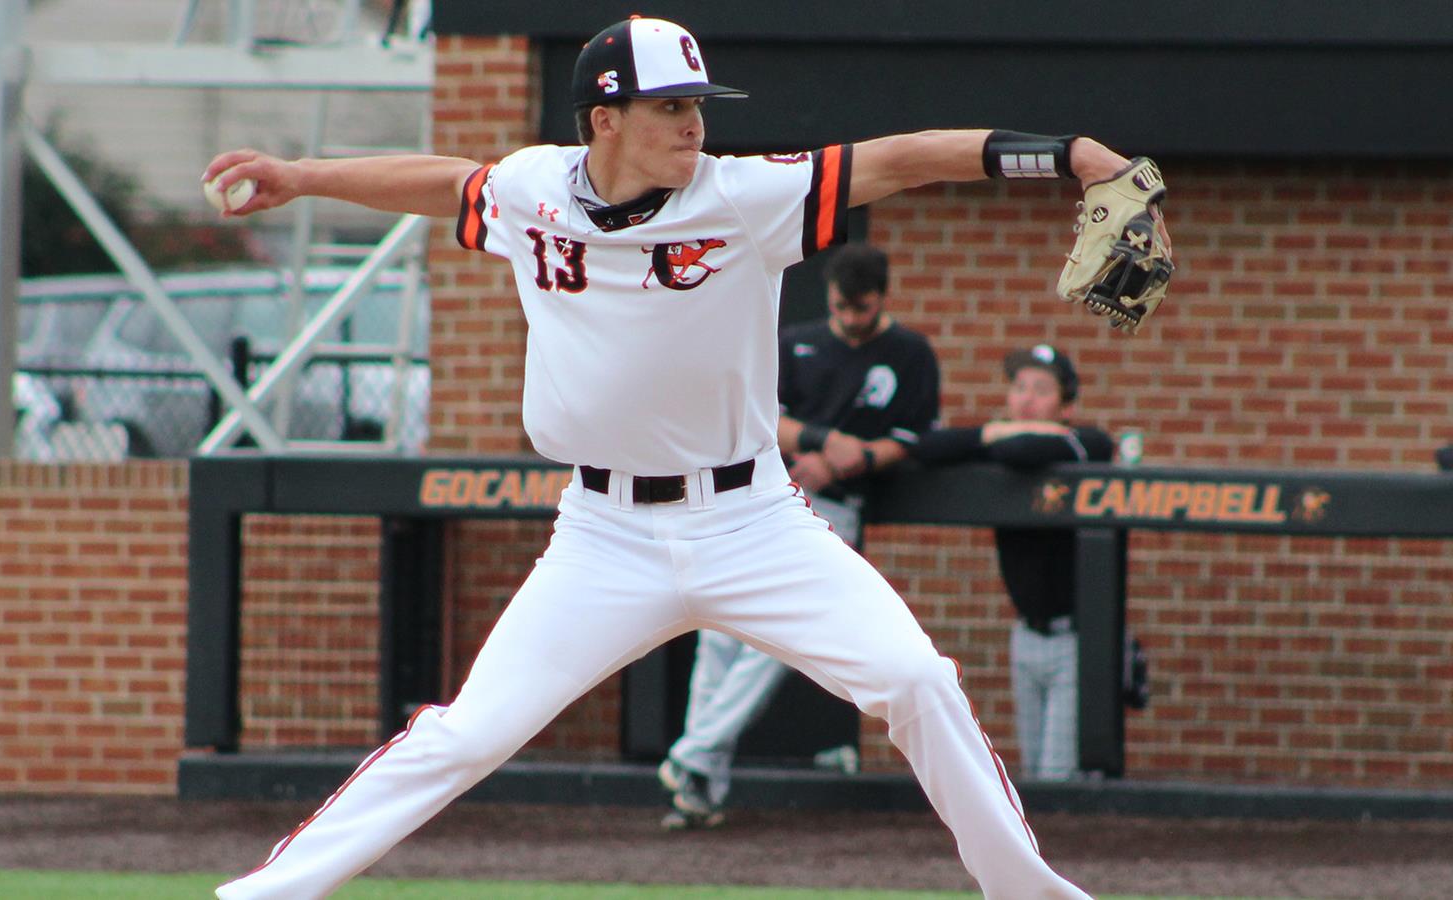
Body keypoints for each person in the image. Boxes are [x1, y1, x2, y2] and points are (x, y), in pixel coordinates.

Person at [206, 15, 1167, 899]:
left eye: (697, 104)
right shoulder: (534, 189)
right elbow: (444, 183)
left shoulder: (743, 196)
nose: (693, 123)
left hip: (752, 523)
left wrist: (1071, 155)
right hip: (601, 537)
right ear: (604, 120)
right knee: (466, 735)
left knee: (918, 683)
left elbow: (901, 159)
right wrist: (303, 175)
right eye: (668, 106)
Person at [657, 242, 940, 830]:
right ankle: (701, 784)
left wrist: (853, 458)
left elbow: (916, 438)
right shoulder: (796, 342)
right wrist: (818, 442)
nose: (850, 318)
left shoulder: (910, 352)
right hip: (764, 496)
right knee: (719, 635)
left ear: (881, 299)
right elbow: (761, 417)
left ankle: (693, 754)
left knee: (774, 641)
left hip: (834, 506)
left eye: (861, 308)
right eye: (842, 307)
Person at [909, 345, 1112, 781]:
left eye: (1041, 390)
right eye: (1019, 388)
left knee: (1057, 775)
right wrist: (991, 434)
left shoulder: (1083, 443)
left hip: (1078, 638)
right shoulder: (998, 442)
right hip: (1026, 633)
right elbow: (927, 447)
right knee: (1034, 772)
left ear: (1066, 406)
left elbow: (1027, 450)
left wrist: (1001, 435)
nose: (1026, 399)